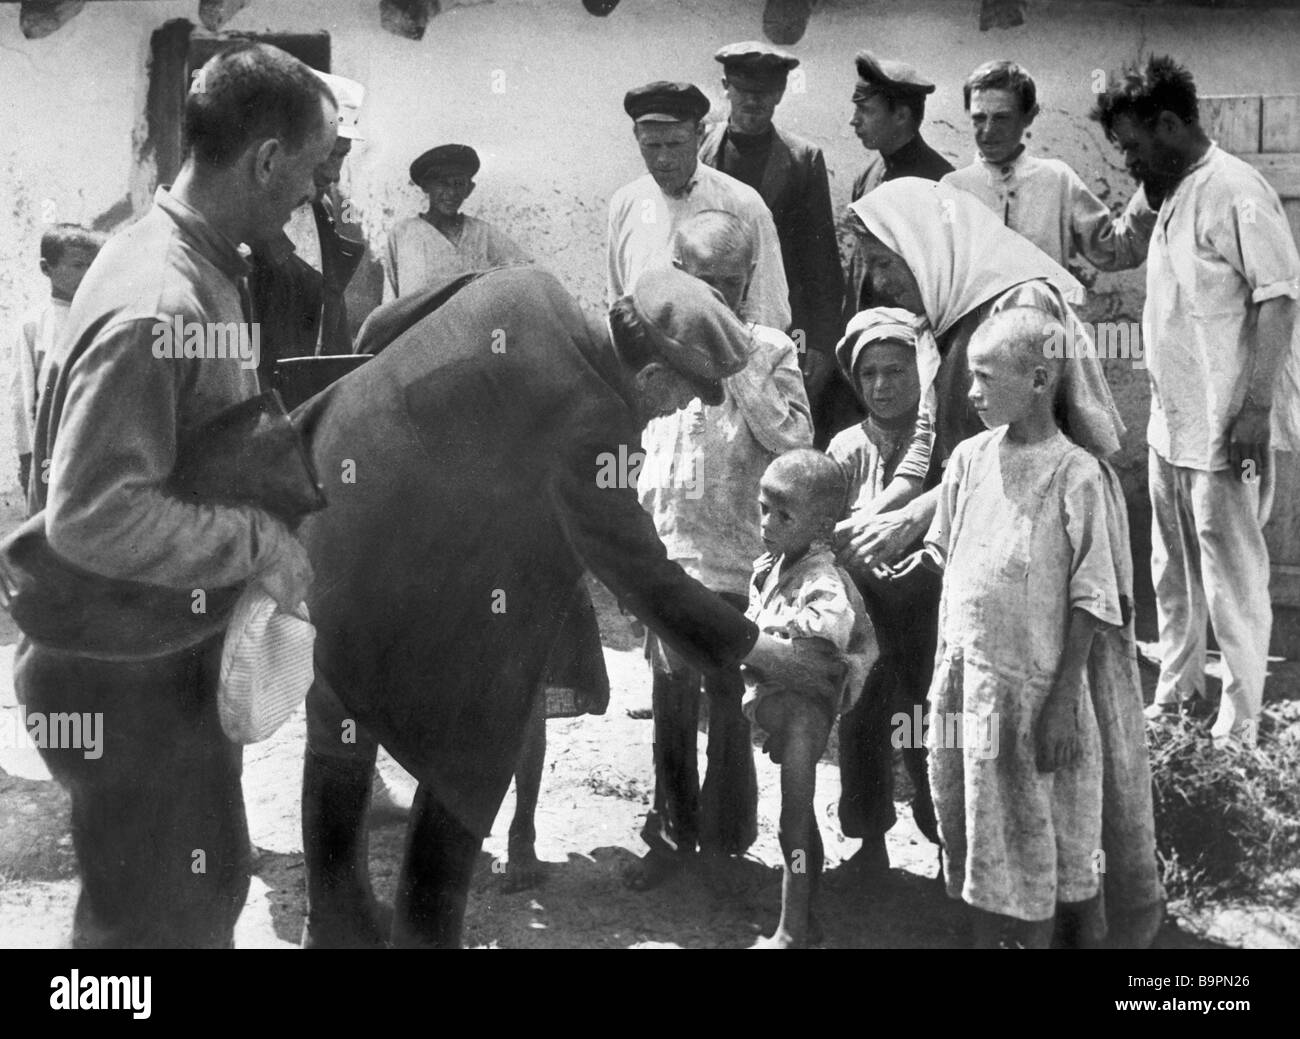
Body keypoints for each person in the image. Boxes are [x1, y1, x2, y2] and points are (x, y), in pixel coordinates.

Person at [294, 264, 810, 949]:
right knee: (476, 747)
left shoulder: (529, 285)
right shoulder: (599, 417)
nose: (676, 410)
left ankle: (332, 920)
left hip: (324, 499)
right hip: (388, 566)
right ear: (654, 376)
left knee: (338, 719)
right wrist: (755, 646)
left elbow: (383, 327)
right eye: (684, 395)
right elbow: (639, 570)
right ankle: (425, 937)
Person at [13, 43, 336, 948]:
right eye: (310, 170)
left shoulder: (195, 260)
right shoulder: (161, 300)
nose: (313, 192)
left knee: (199, 892)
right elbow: (92, 511)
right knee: (156, 929)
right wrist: (259, 545)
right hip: (120, 674)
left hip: (157, 654)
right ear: (267, 160)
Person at [833, 180, 1166, 948]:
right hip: (984, 530)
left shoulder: (1021, 302)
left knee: (1074, 747)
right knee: (981, 738)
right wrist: (890, 509)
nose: (881, 281)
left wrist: (914, 519)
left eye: (885, 262)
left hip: (1052, 542)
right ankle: (998, 901)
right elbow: (934, 443)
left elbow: (1058, 450)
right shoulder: (949, 317)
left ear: (924, 242)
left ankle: (1101, 916)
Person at [897, 307, 1129, 948]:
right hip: (970, 690)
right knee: (974, 828)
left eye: (983, 378)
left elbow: (1091, 599)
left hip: (1034, 698)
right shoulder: (969, 461)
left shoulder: (1074, 474)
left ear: (1038, 379)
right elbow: (950, 557)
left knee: (1034, 836)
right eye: (968, 378)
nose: (970, 395)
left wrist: (1061, 702)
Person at [1093, 55, 1300, 748]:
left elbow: (1278, 299)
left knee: (1232, 569)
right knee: (1171, 564)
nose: (1127, 159)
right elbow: (1123, 249)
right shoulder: (1169, 189)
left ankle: (1239, 724)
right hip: (1171, 422)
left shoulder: (1236, 190)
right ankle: (1178, 692)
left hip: (1227, 425)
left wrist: (1254, 409)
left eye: (1133, 143)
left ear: (1173, 123)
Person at [627, 210, 812, 893]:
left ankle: (726, 842)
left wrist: (730, 362)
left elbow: (796, 444)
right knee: (670, 692)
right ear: (679, 277)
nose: (722, 300)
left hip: (738, 549)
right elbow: (649, 444)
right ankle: (671, 833)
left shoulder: (769, 348)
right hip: (672, 546)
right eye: (706, 285)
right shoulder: (652, 342)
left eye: (733, 285)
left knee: (730, 692)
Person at [826, 307, 942, 877]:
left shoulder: (940, 445)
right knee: (864, 720)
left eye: (896, 370)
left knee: (928, 722)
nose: (882, 385)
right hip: (865, 613)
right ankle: (869, 843)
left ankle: (949, 846)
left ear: (921, 373)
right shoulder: (847, 448)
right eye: (869, 374)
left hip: (929, 614)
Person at [743, 448, 874, 948]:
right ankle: (807, 906)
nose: (767, 523)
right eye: (763, 508)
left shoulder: (821, 579)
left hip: (804, 710)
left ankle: (792, 930)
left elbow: (828, 630)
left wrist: (765, 632)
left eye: (783, 514)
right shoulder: (776, 563)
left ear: (821, 527)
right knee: (798, 814)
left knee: (793, 816)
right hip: (783, 700)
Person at [699, 42, 843, 437]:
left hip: (780, 318)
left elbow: (821, 261)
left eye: (764, 93)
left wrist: (820, 343)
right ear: (725, 87)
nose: (753, 102)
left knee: (774, 427)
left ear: (779, 94)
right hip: (710, 314)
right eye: (744, 91)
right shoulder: (698, 150)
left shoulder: (802, 160)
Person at [942, 60, 1158, 274]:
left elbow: (1114, 250)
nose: (988, 131)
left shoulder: (1057, 179)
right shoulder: (951, 188)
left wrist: (1153, 192)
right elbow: (937, 270)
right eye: (978, 118)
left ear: (1029, 116)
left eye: (1001, 118)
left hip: (1044, 308)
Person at [834, 52, 953, 439]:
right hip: (866, 347)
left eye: (865, 110)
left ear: (901, 115)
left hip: (909, 354)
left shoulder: (939, 182)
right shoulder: (868, 176)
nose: (854, 120)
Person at [607, 81, 791, 331]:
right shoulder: (625, 202)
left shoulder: (742, 203)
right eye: (651, 145)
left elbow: (769, 309)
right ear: (636, 136)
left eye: (675, 144)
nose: (663, 158)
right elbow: (617, 299)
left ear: (699, 133)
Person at [250, 68, 368, 370]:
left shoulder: (326, 215)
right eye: (325, 153)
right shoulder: (246, 222)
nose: (332, 173)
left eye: (341, 155)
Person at [9, 223, 104, 495]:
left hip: (97, 438)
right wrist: (28, 458)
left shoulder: (104, 316)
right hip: (53, 443)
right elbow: (24, 396)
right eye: (77, 265)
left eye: (92, 265)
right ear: (46, 268)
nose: (87, 274)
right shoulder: (33, 325)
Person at [383, 144, 531, 300]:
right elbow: (389, 299)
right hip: (421, 324)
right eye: (442, 183)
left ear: (469, 189)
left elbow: (524, 272)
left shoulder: (484, 234)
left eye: (459, 184)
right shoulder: (402, 234)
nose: (451, 193)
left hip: (472, 323)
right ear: (426, 186)